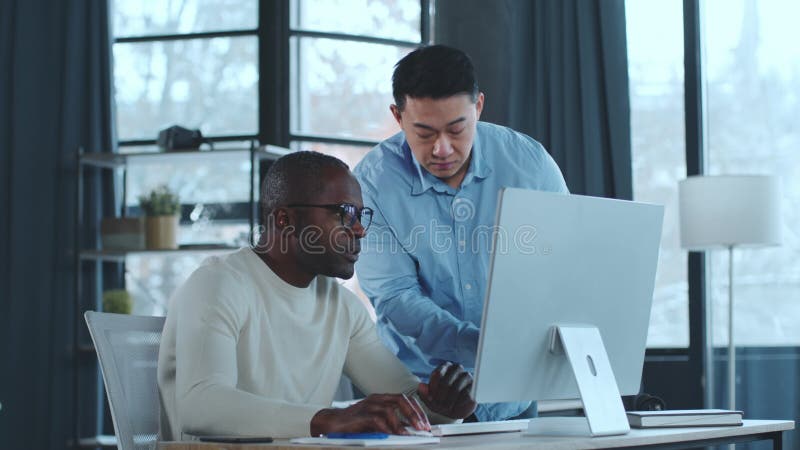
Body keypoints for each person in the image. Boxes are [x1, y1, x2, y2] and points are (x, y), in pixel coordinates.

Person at [157, 151, 477, 440]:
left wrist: (443, 404)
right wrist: (329, 420)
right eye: (344, 213)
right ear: (285, 220)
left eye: (361, 216)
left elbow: (405, 398)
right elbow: (200, 404)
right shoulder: (218, 284)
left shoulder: (342, 307)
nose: (360, 230)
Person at [353, 45, 569, 422]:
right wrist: (478, 345)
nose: (442, 149)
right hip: (418, 397)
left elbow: (564, 264)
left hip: (513, 394)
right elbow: (394, 295)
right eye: (423, 132)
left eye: (457, 129)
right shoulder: (372, 184)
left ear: (479, 107)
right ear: (398, 117)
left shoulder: (529, 165)